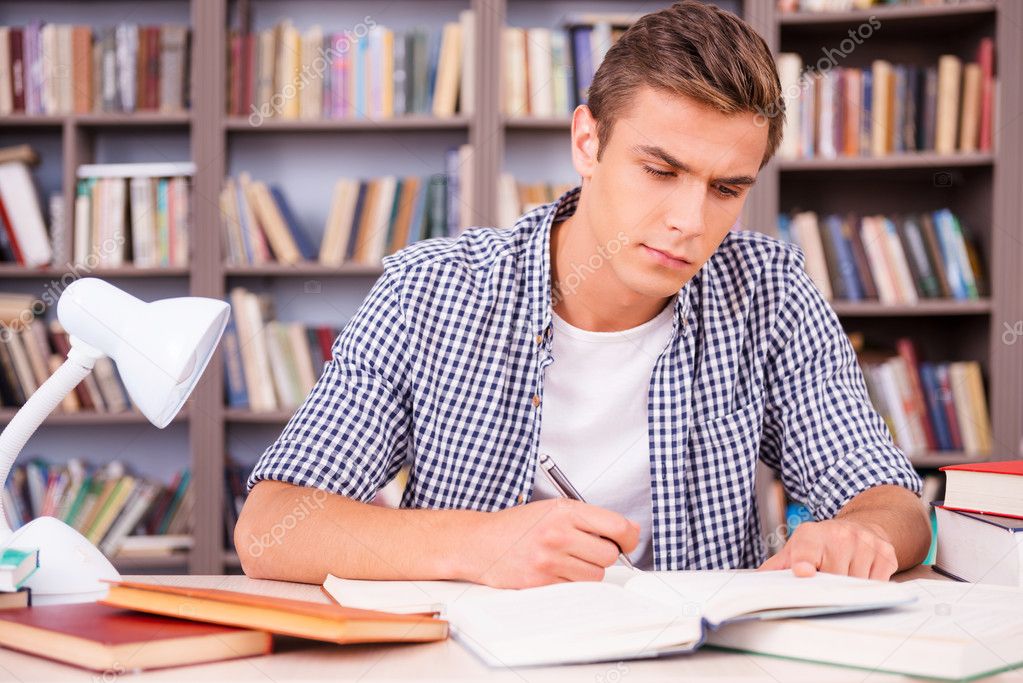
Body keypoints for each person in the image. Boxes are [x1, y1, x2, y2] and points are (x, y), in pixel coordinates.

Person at [235, 0, 931, 587]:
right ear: (586, 142)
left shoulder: (767, 289)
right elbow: (270, 526)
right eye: (660, 170)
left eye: (725, 189)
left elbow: (891, 500)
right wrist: (477, 546)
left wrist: (856, 535)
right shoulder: (431, 290)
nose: (689, 222)